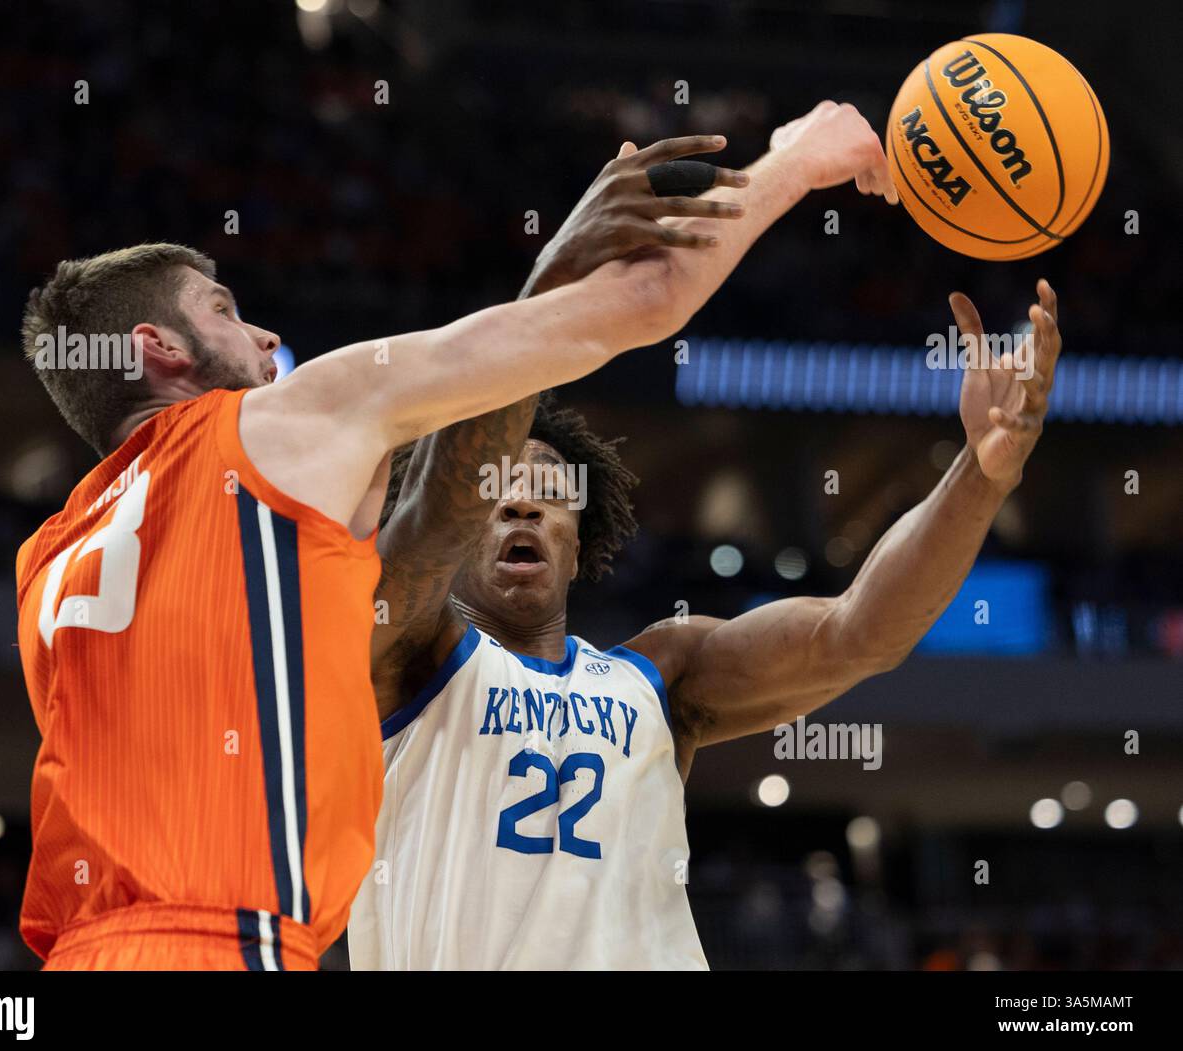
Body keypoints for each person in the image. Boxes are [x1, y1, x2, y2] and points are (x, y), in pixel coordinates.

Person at [15, 106, 890, 970]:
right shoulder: (278, 423)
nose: (266, 334)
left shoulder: (46, 561)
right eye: (225, 309)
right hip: (220, 945)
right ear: (158, 347)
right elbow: (645, 303)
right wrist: (796, 160)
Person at [349, 109, 1062, 969]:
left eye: (547, 496)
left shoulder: (663, 674)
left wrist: (980, 477)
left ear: (584, 537)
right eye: (497, 494)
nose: (522, 509)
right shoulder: (398, 654)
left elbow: (862, 631)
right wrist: (553, 279)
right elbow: (443, 490)